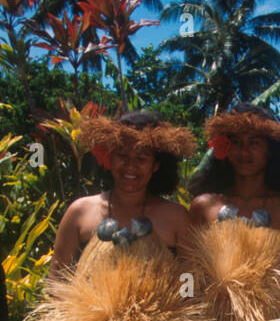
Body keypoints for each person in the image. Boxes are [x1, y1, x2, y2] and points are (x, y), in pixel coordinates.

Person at [50, 110, 197, 276]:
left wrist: (186, 300)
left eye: (141, 158)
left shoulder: (176, 217)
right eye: (122, 155)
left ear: (155, 165)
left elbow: (191, 278)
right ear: (109, 158)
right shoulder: (80, 212)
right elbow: (57, 279)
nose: (130, 166)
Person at [187, 104, 280, 243]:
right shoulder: (204, 206)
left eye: (254, 143)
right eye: (236, 142)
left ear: (270, 151)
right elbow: (190, 263)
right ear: (225, 148)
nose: (244, 151)